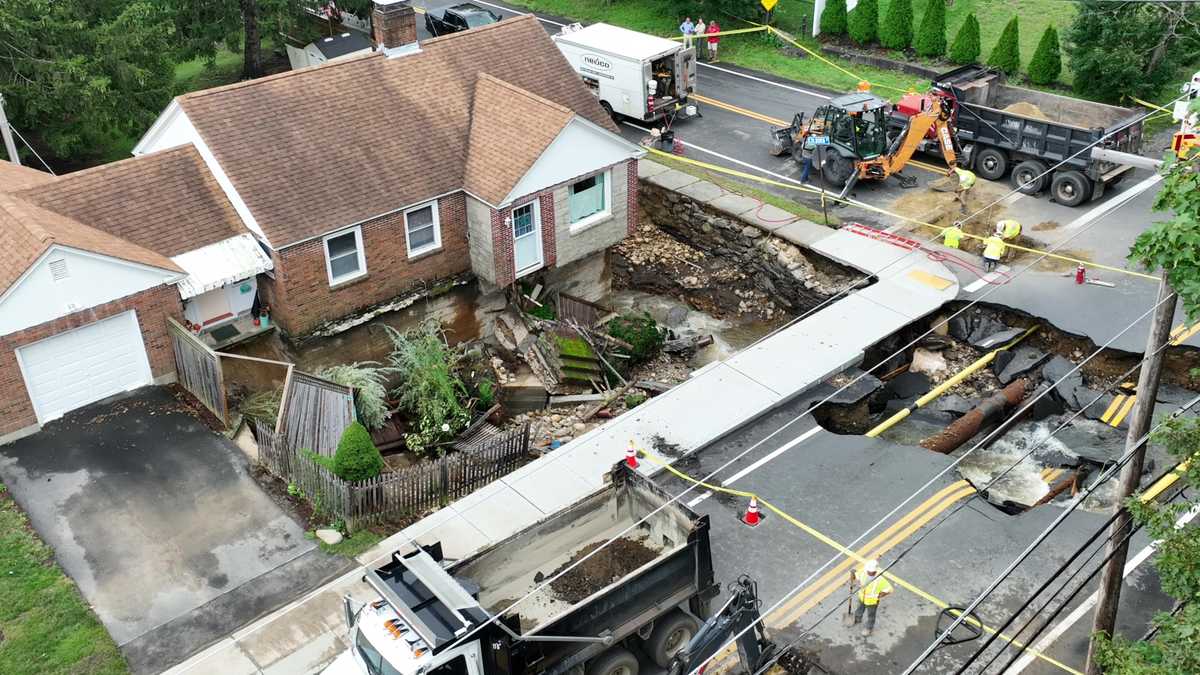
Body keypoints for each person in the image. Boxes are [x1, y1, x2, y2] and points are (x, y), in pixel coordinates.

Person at [852, 559, 893, 636]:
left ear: (874, 571)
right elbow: (857, 576)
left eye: (870, 572)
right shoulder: (863, 571)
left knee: (871, 615)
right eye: (868, 571)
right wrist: (857, 582)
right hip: (861, 597)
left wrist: (880, 595)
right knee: (859, 608)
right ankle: (857, 619)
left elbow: (889, 589)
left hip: (872, 602)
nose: (868, 572)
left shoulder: (880, 580)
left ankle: (869, 628)